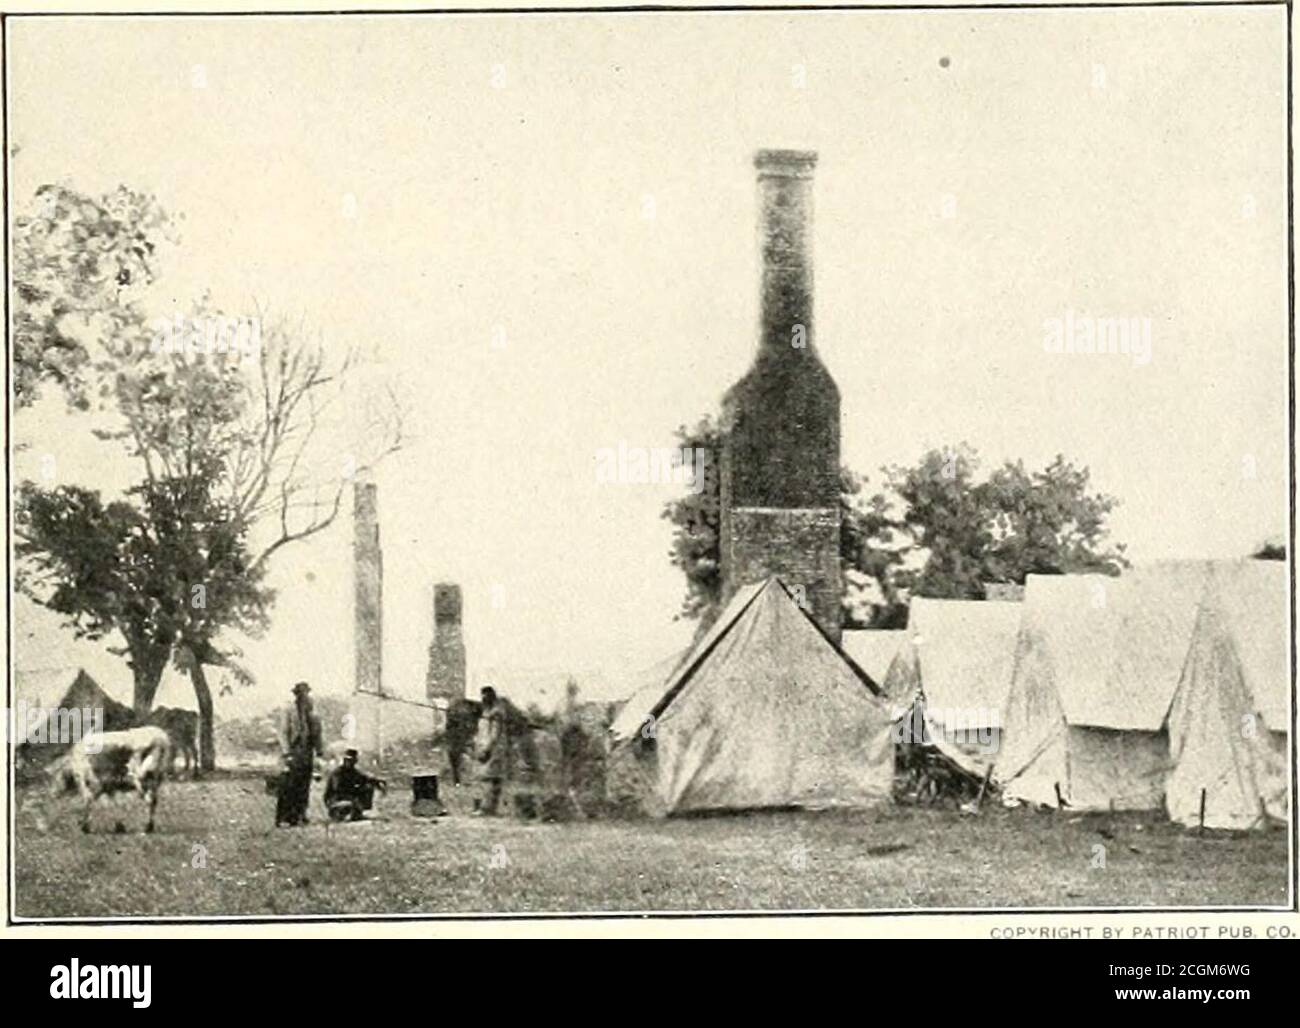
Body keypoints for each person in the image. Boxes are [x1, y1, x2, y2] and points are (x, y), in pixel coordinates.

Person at [275, 681, 323, 827]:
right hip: (293, 751)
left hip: (306, 751)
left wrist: (319, 751)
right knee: (289, 785)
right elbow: (283, 732)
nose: (304, 696)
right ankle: (284, 817)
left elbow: (317, 734)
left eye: (306, 693)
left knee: (304, 785)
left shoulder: (312, 712)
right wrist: (286, 753)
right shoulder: (288, 710)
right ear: (296, 695)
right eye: (301, 693)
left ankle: (301, 814)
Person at [473, 686, 511, 815]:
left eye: (486, 696)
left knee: (491, 779)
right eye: (482, 695)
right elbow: (481, 732)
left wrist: (487, 749)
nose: (483, 698)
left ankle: (487, 808)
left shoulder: (496, 713)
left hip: (494, 749)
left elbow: (495, 734)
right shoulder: (486, 713)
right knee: (489, 779)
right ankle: (487, 807)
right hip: (486, 747)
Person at [323, 748, 387, 822]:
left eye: (351, 760)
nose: (349, 762)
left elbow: (365, 778)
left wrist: (378, 782)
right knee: (350, 803)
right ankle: (344, 813)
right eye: (347, 760)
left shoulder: (353, 772)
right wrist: (356, 790)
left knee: (368, 788)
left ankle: (358, 811)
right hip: (335, 800)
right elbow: (338, 789)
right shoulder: (337, 773)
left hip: (347, 800)